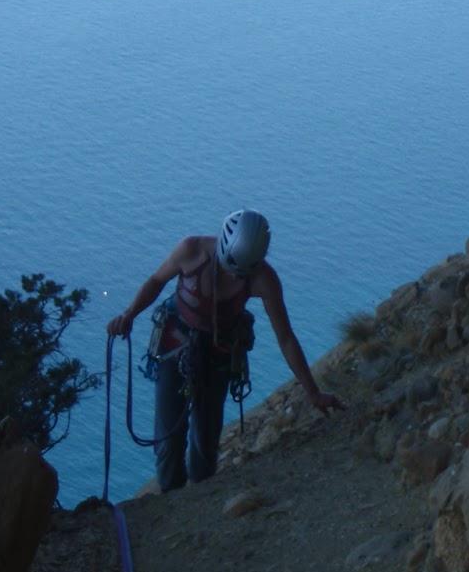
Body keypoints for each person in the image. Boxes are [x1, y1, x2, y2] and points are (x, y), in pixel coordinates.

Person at [106, 209, 342, 490]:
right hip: (175, 350)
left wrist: (313, 392)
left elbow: (285, 337)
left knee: (205, 440)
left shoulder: (263, 279)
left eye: (241, 272)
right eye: (230, 266)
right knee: (168, 439)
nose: (232, 275)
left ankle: (200, 497)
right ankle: (171, 497)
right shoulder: (191, 250)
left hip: (216, 358)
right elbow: (157, 281)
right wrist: (129, 314)